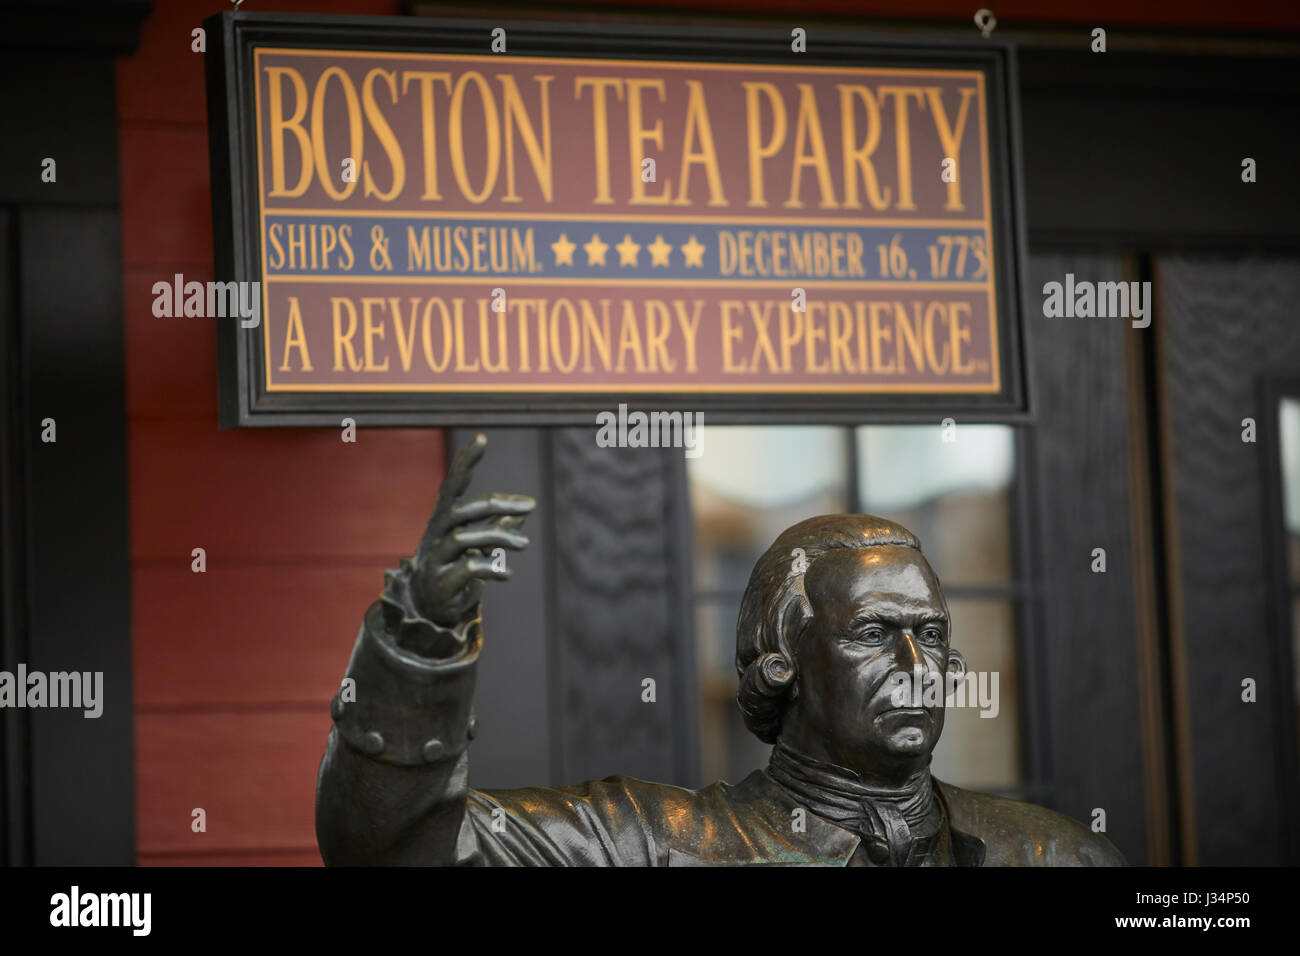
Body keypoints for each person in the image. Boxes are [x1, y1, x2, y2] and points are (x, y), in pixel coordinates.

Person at [316, 435, 1125, 866]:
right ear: (785, 663)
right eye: (876, 635)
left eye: (932, 637)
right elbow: (396, 849)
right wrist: (419, 640)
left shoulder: (1055, 853)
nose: (920, 672)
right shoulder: (648, 843)